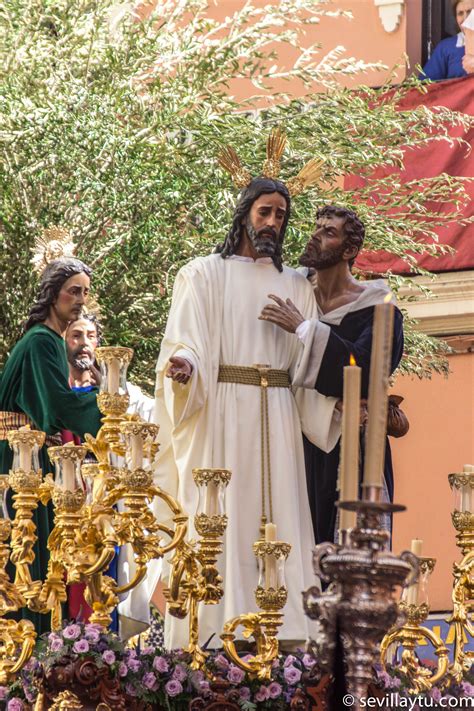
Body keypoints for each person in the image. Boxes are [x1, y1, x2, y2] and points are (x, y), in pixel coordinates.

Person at [154, 173, 341, 649]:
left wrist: (338, 399)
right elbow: (188, 338)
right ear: (245, 214)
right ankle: (217, 631)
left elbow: (307, 364)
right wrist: (185, 364)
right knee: (224, 520)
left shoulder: (298, 285)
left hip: (277, 414)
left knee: (281, 515)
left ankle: (290, 635)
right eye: (265, 212)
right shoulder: (203, 273)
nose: (273, 223)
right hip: (223, 414)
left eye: (281, 215)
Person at [260, 205, 404, 545]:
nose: (316, 236)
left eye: (329, 232)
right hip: (295, 441)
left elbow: (368, 369)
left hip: (354, 445)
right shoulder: (295, 294)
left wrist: (305, 329)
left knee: (353, 555)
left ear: (350, 250)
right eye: (317, 228)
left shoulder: (377, 305)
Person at [0, 257, 102, 633]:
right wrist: (108, 408)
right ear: (52, 294)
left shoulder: (47, 341)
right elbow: (56, 408)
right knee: (25, 557)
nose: (80, 299)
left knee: (33, 557)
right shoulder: (42, 341)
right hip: (17, 461)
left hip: (27, 455)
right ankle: (22, 652)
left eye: (85, 292)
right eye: (73, 290)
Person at [64, 312, 156, 636]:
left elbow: (151, 416)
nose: (84, 344)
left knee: (107, 587)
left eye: (90, 336)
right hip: (66, 509)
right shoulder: (56, 395)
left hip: (106, 513)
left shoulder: (118, 396)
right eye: (76, 336)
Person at [420, 0, 474, 81]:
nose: (465, 18)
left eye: (469, 12)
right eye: (460, 13)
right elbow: (424, 85)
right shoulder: (446, 48)